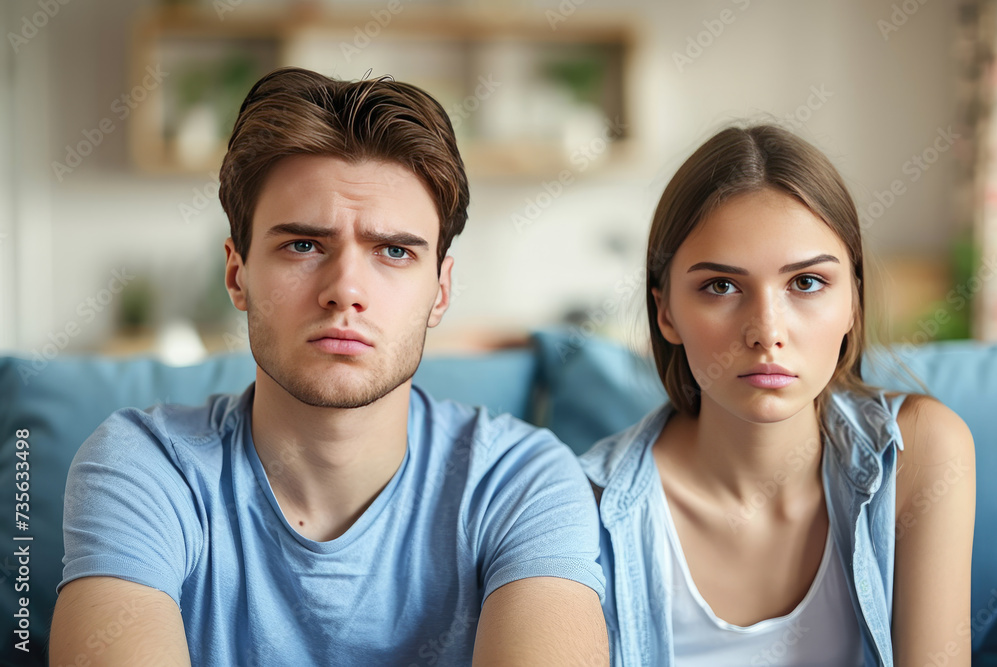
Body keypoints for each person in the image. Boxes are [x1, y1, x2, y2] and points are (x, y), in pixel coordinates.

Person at [50, 67, 608, 666]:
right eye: (303, 245)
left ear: (440, 292)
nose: (345, 291)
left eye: (394, 251)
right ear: (238, 274)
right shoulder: (145, 466)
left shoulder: (521, 480)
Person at [581, 124, 976, 665]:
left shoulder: (919, 452)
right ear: (666, 312)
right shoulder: (589, 506)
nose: (767, 330)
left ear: (853, 303)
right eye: (721, 286)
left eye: (806, 282)